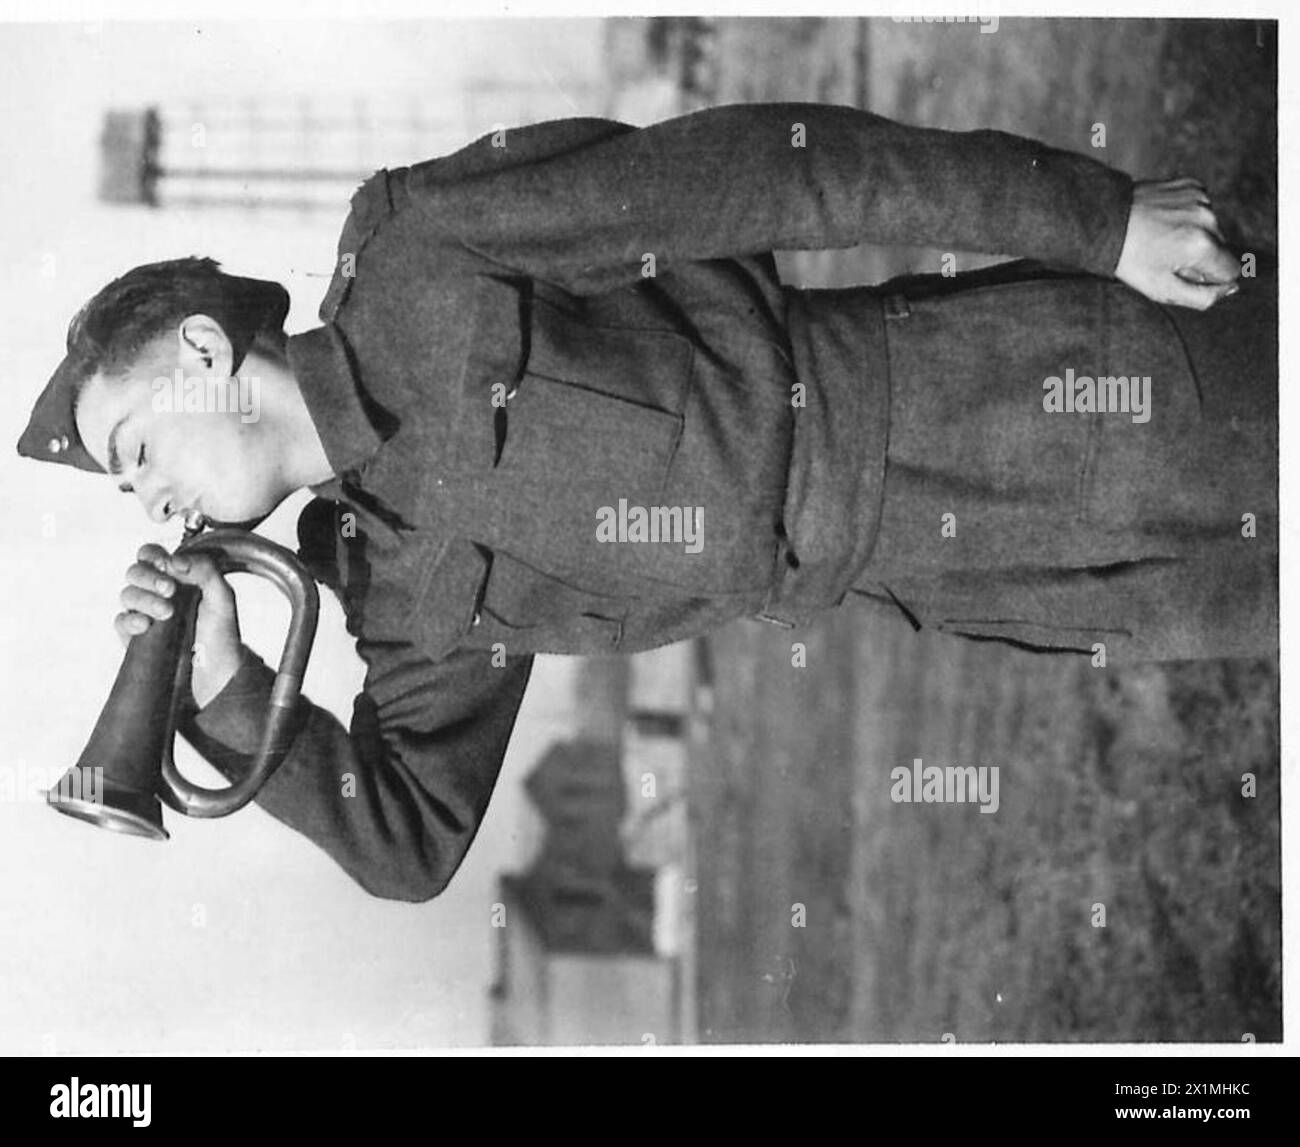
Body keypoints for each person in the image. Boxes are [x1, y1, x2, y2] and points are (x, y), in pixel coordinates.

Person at [18, 101, 1275, 900]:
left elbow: (779, 174)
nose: (146, 500)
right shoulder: (385, 585)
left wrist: (1095, 217)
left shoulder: (418, 252)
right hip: (956, 583)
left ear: (200, 351)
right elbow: (406, 841)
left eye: (133, 448)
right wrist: (234, 691)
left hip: (993, 389)